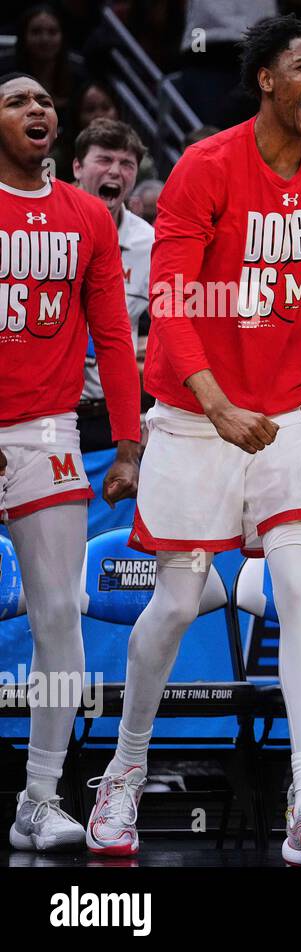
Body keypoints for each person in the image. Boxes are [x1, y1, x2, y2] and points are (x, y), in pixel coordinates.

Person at [87, 15, 301, 866]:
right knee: (178, 599)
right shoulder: (206, 166)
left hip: (291, 417)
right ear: (267, 80)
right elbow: (172, 304)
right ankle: (124, 773)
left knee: (299, 584)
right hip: (195, 416)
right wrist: (215, 405)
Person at [0, 73, 140, 853]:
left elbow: (114, 335)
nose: (38, 110)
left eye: (46, 102)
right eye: (18, 100)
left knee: (60, 619)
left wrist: (127, 443)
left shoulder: (87, 215)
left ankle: (41, 798)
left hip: (48, 433)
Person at [71, 120, 152, 451]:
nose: (116, 171)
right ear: (77, 166)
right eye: (104, 160)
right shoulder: (48, 226)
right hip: (46, 413)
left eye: (127, 164)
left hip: (111, 417)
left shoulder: (150, 242)